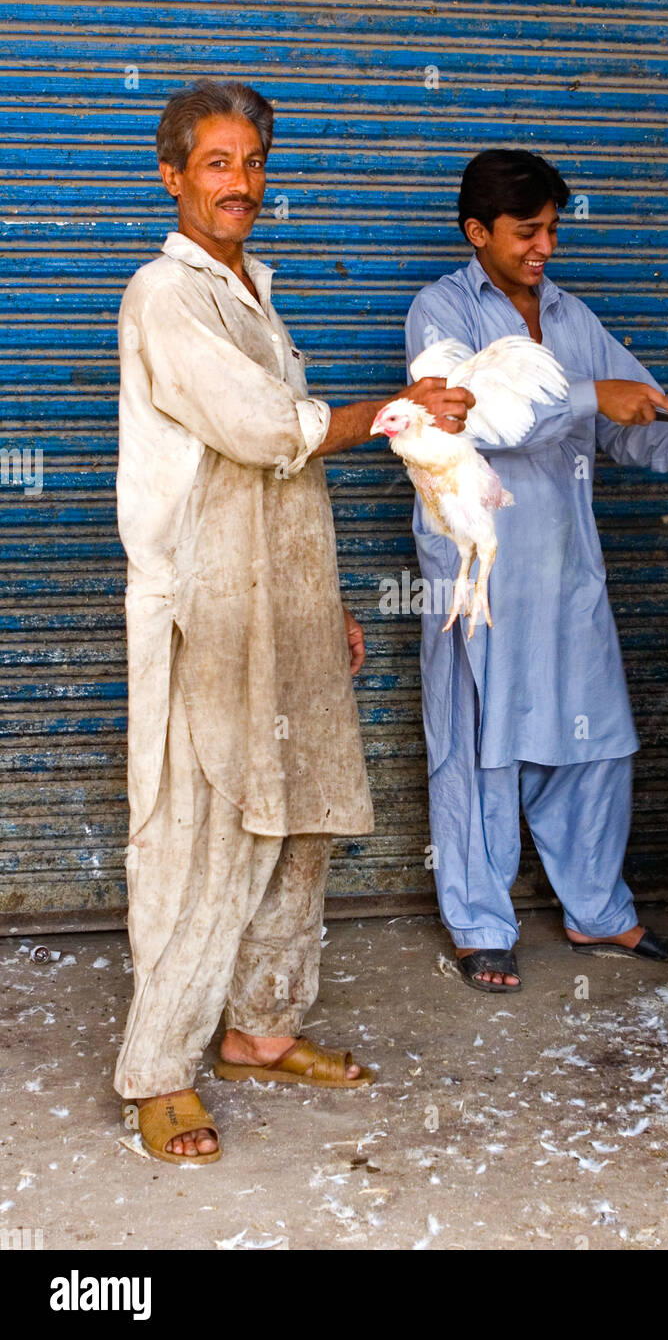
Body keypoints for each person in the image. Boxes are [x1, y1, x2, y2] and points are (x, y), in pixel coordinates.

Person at [113, 77, 473, 1161]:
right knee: (210, 831)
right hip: (211, 611)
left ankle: (261, 1029)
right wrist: (397, 412)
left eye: (253, 162)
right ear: (171, 173)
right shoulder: (164, 296)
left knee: (305, 815)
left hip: (286, 602)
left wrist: (329, 605)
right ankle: (158, 1069)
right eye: (217, 163)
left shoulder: (251, 295)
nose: (240, 184)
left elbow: (284, 477)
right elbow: (263, 429)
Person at [404, 149, 668, 993]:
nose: (544, 247)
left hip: (567, 573)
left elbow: (637, 422)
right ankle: (480, 923)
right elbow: (466, 421)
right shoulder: (439, 313)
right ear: (477, 232)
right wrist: (586, 397)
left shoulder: (573, 317)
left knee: (593, 743)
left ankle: (597, 912)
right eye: (526, 231)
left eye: (552, 230)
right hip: (480, 575)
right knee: (477, 747)